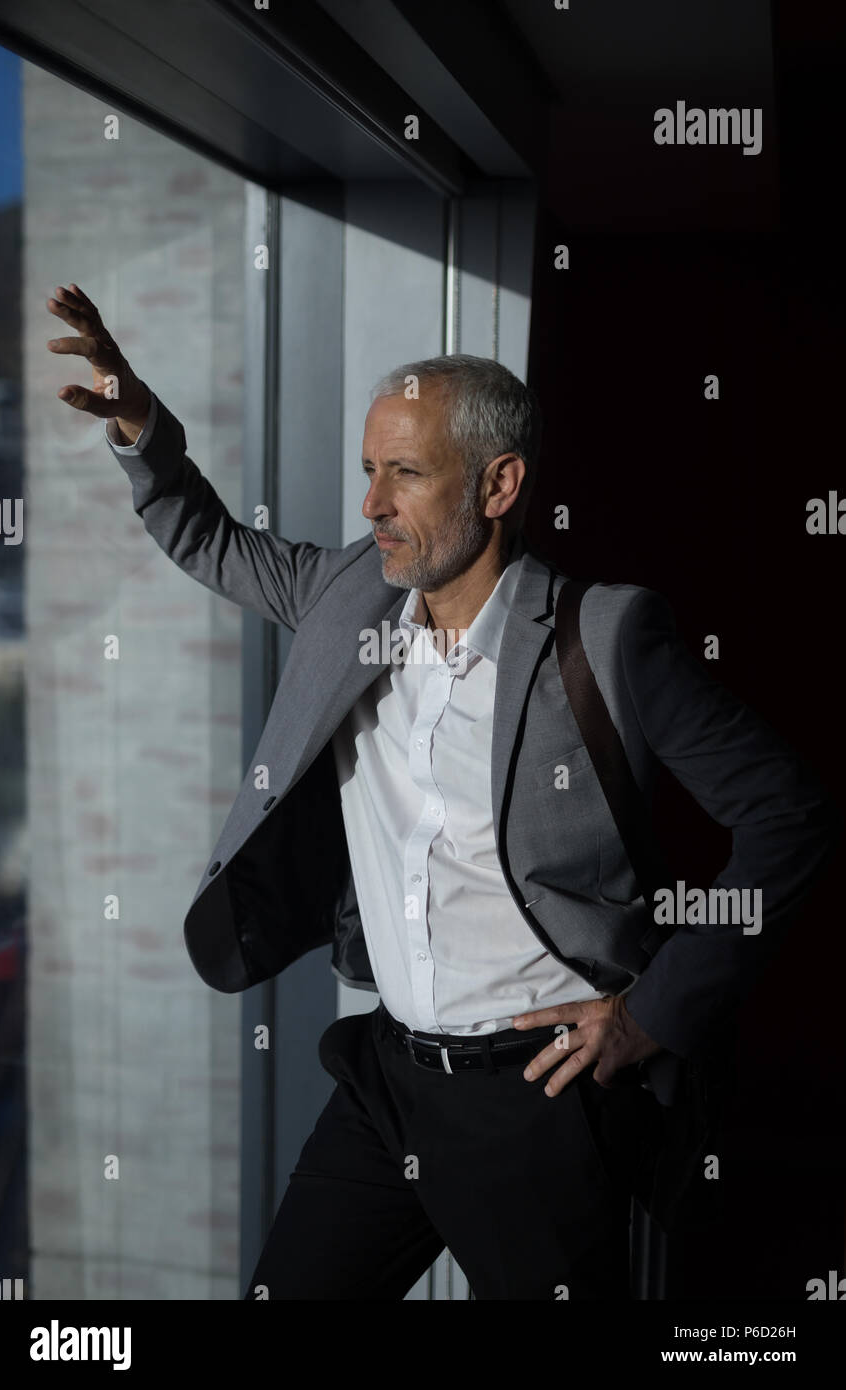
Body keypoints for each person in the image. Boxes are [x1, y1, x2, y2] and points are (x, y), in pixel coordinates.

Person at [47, 283, 841, 1300]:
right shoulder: (350, 597)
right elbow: (206, 537)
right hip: (387, 1082)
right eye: (369, 472)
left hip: (540, 1103)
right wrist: (138, 420)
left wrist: (655, 1007)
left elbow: (788, 815)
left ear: (498, 484)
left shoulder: (604, 637)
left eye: (406, 474)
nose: (371, 503)